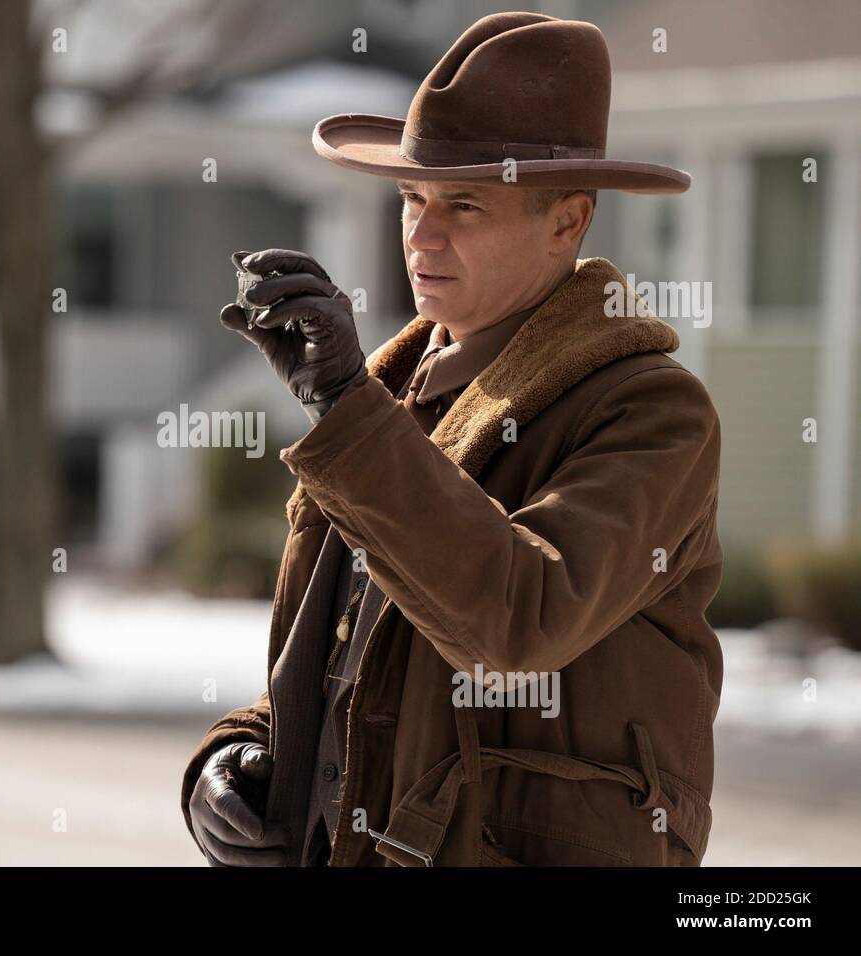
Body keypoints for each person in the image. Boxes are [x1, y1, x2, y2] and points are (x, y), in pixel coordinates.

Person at [183, 11, 723, 867]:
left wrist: (346, 407)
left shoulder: (652, 412)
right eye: (412, 199)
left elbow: (518, 625)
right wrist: (234, 755)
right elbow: (353, 652)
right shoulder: (389, 400)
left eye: (464, 204)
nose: (422, 236)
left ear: (567, 223)